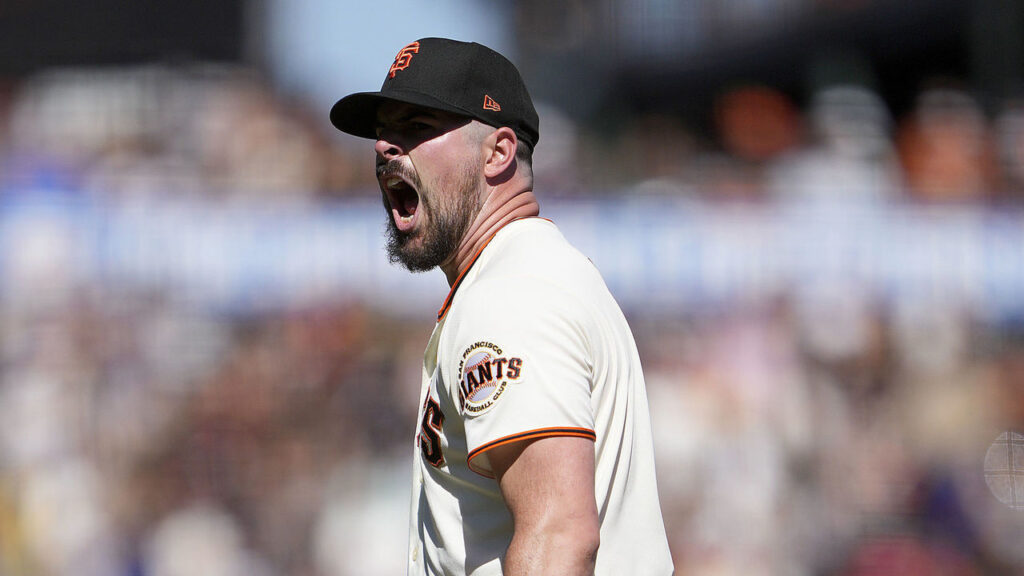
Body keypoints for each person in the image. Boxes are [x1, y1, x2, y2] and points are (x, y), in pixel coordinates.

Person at [330, 37, 673, 576]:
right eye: (383, 132)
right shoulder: (526, 275)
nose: (384, 148)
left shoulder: (512, 294)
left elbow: (558, 535)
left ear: (498, 152)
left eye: (416, 128)